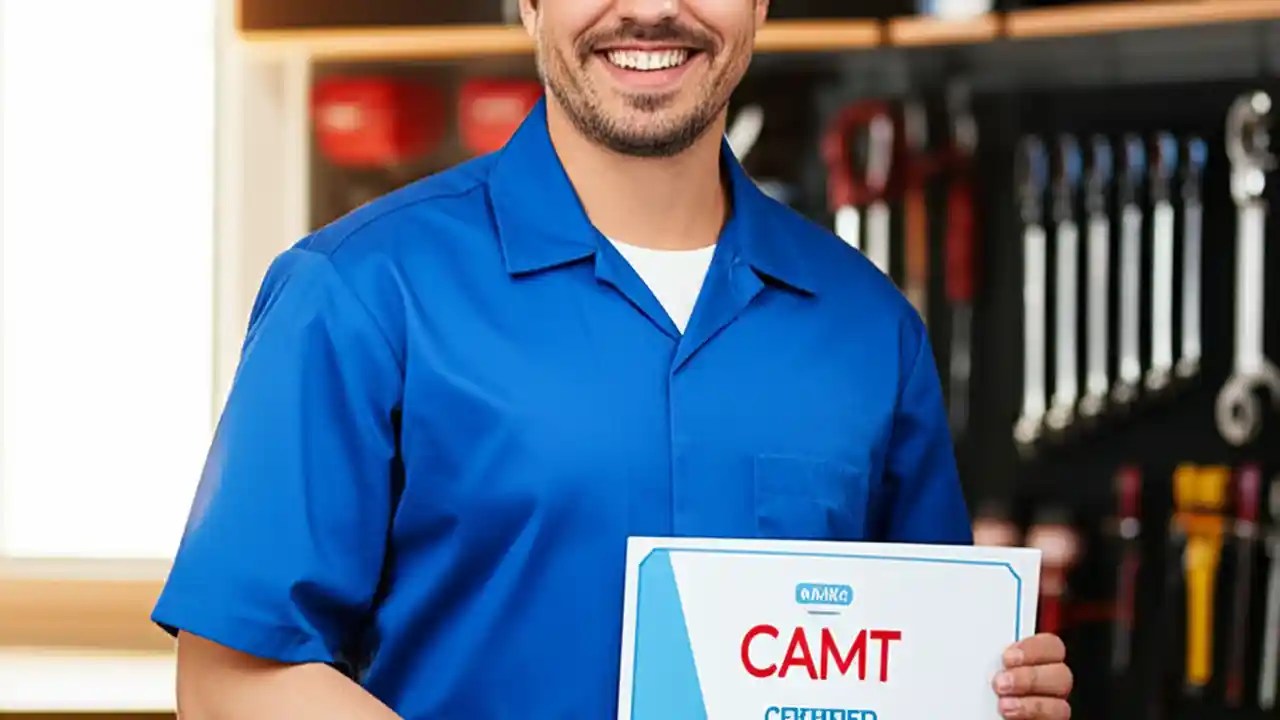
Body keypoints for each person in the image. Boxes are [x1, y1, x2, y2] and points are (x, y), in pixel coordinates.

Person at [152, 0, 1074, 718]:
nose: (652, 11)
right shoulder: (356, 293)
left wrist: (991, 694)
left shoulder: (872, 332)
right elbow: (229, 685)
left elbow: (910, 673)